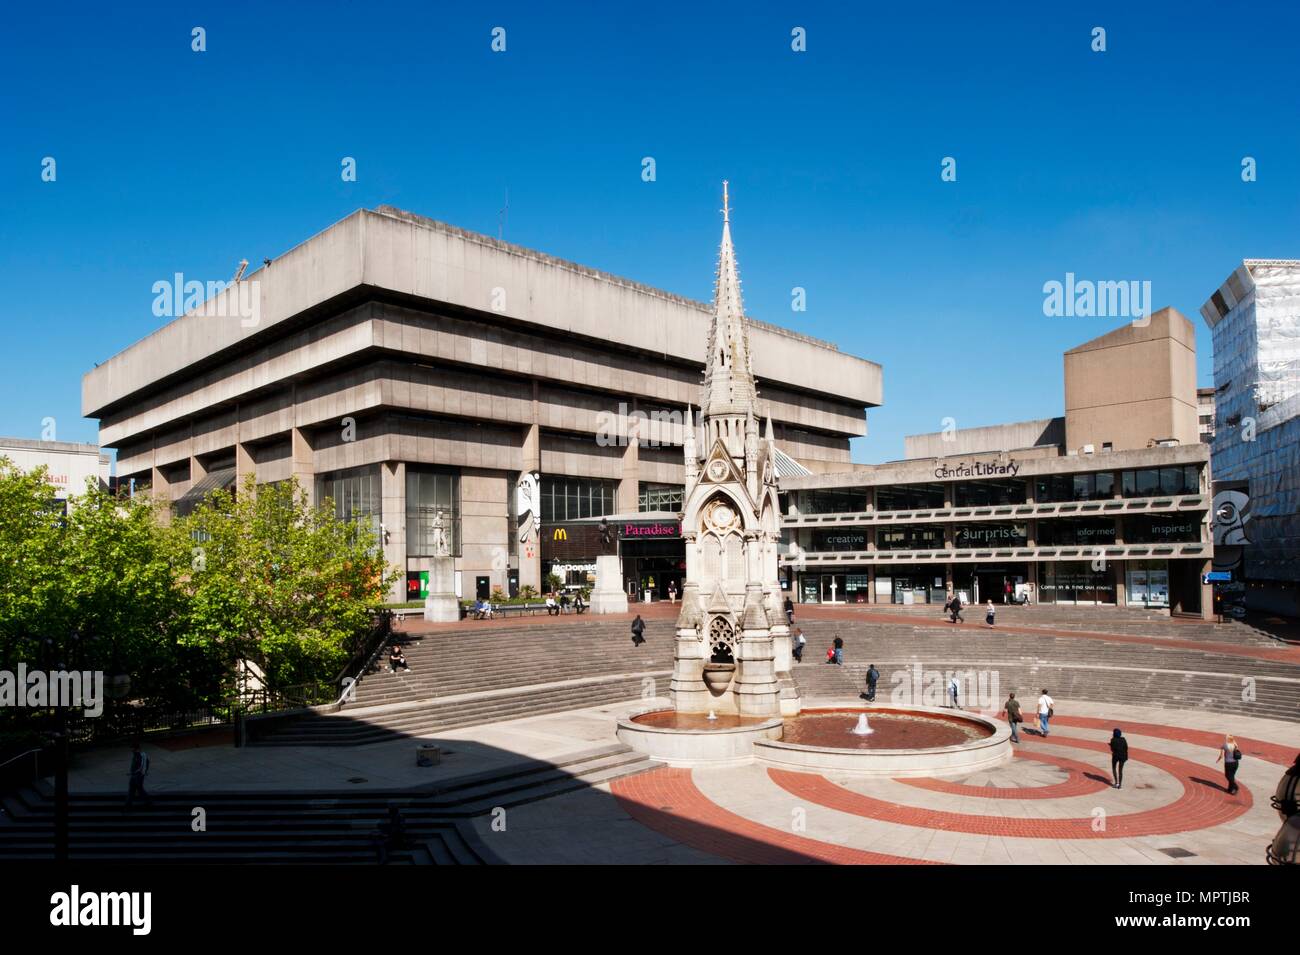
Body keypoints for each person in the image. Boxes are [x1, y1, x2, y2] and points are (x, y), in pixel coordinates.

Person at [125, 741, 150, 808]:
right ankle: (128, 804)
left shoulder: (140, 755)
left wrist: (136, 772)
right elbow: (145, 763)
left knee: (139, 789)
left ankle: (148, 801)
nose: (131, 750)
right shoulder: (137, 754)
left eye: (132, 748)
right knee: (132, 789)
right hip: (135, 775)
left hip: (138, 775)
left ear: (136, 748)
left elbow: (141, 766)